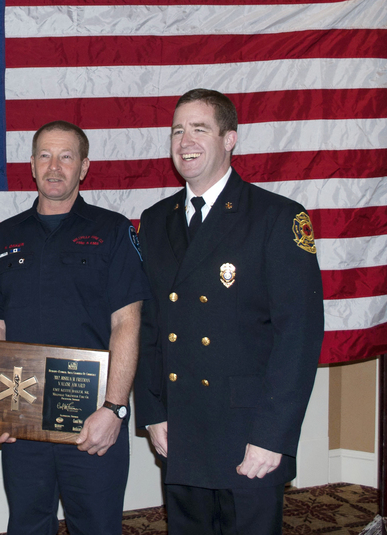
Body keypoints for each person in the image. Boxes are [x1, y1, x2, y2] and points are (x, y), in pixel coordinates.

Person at [134, 88, 324, 534]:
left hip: (247, 432)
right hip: (181, 426)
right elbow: (149, 326)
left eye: (199, 129)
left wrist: (273, 436)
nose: (185, 141)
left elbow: (299, 335)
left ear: (230, 139)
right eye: (177, 130)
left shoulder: (277, 217)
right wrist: (153, 412)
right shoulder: (155, 220)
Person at [0, 121, 151, 535]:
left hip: (91, 417)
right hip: (20, 416)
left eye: (66, 156)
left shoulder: (112, 230)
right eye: (44, 156)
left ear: (84, 167)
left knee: (96, 526)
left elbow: (127, 321)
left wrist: (114, 409)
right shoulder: (4, 236)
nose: (54, 167)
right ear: (33, 166)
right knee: (26, 524)